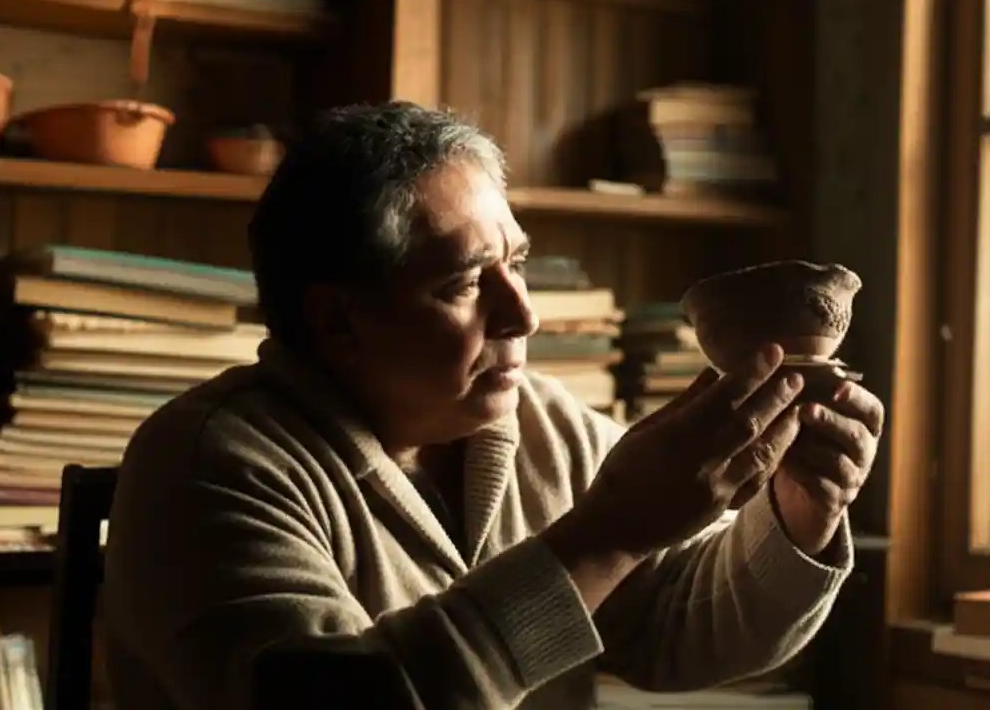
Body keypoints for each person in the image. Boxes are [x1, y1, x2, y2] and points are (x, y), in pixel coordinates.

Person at [101, 101, 885, 710]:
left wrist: (796, 514)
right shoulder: (211, 461)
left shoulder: (544, 425)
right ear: (337, 321)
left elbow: (672, 632)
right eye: (467, 283)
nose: (525, 315)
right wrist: (608, 533)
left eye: (518, 263)